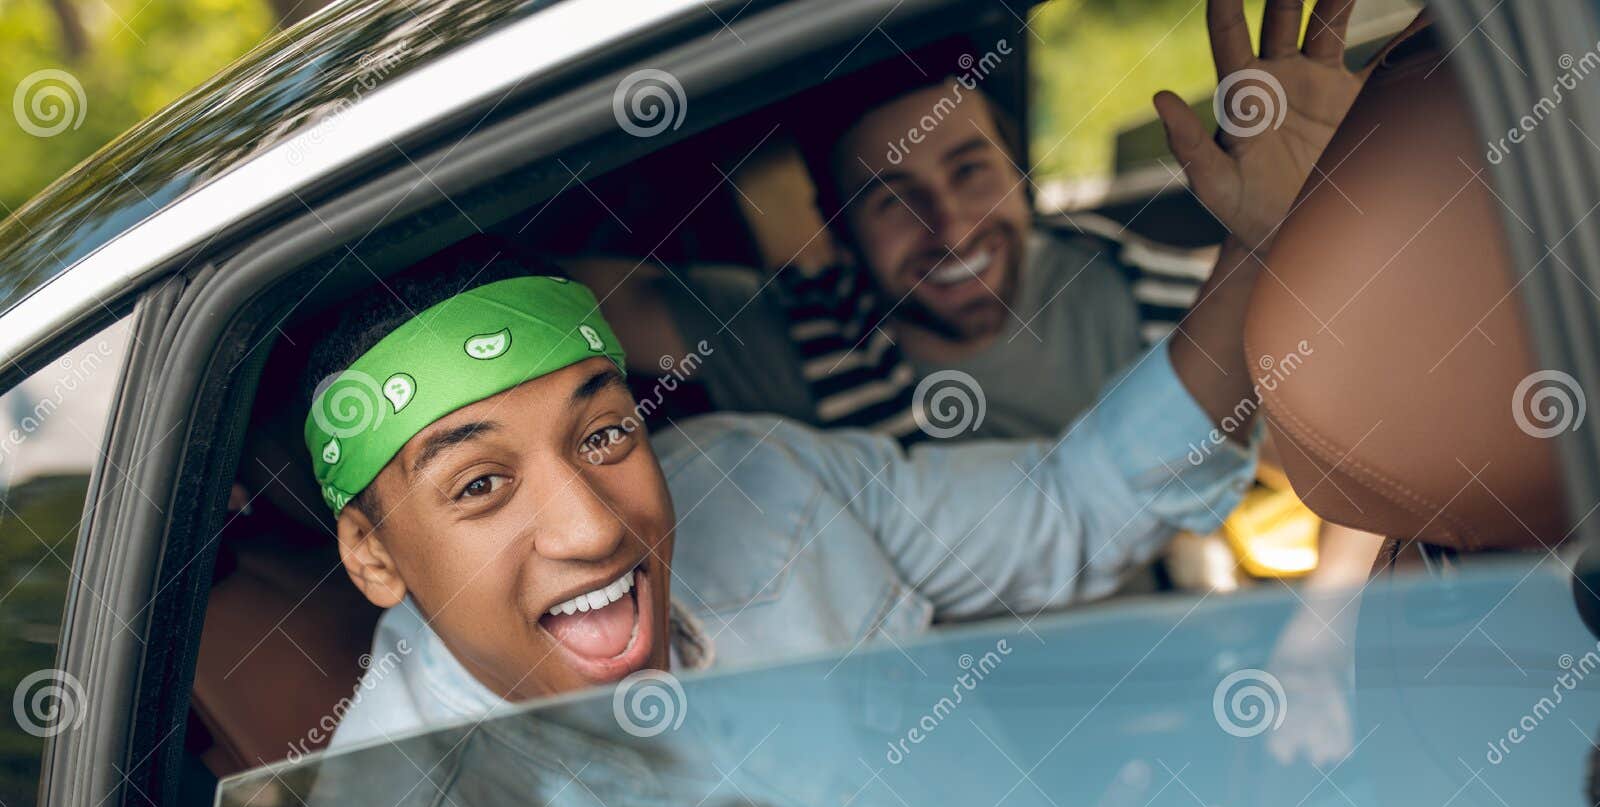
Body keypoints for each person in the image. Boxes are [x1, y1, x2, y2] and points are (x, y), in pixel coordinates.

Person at [303, 0, 1373, 750]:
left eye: (604, 435)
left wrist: (1270, 246)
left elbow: (1076, 504)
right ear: (373, 552)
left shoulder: (768, 482)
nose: (588, 528)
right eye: (479, 485)